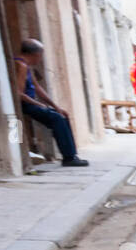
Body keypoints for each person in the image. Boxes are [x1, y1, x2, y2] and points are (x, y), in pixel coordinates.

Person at [12, 39, 88, 167]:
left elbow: (38, 88)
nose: (40, 59)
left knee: (62, 115)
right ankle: (68, 157)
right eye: (40, 56)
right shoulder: (21, 66)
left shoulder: (27, 66)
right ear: (36, 54)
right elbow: (18, 93)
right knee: (56, 118)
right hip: (26, 104)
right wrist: (38, 104)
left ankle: (71, 154)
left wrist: (56, 106)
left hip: (32, 103)